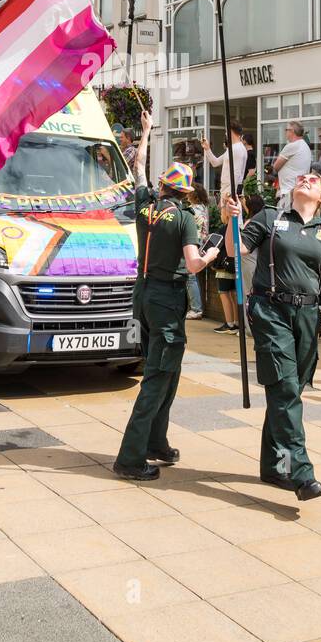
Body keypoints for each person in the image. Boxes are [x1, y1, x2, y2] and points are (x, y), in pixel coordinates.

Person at [227, 174, 321, 501]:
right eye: (303, 177)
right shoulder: (270, 216)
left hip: (308, 316)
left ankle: (273, 466)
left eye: (315, 179)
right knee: (284, 387)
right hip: (270, 310)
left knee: (291, 389)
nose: (306, 178)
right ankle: (301, 472)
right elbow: (235, 248)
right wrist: (231, 219)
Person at [114, 112, 220, 482]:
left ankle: (156, 442)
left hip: (141, 295)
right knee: (159, 375)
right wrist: (211, 254)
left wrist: (145, 131)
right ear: (188, 191)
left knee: (169, 372)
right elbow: (192, 265)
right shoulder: (186, 217)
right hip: (167, 299)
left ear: (163, 185)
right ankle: (130, 457)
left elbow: (138, 167)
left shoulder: (145, 203)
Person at [202, 121, 248, 219]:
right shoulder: (233, 149)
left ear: (230, 131)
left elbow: (236, 174)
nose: (226, 134)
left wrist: (228, 195)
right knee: (230, 221)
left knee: (232, 221)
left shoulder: (237, 149)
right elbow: (215, 162)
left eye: (226, 132)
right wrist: (207, 149)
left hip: (230, 192)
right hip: (229, 191)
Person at [272, 122, 313, 213]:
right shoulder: (304, 145)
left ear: (292, 131)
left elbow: (276, 166)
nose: (285, 132)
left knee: (283, 221)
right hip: (298, 190)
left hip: (288, 191)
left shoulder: (292, 146)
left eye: (286, 130)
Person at [185, 182, 210, 321]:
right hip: (201, 244)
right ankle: (195, 307)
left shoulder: (192, 210)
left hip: (193, 243)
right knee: (192, 277)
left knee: (190, 277)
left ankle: (196, 309)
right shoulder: (203, 208)